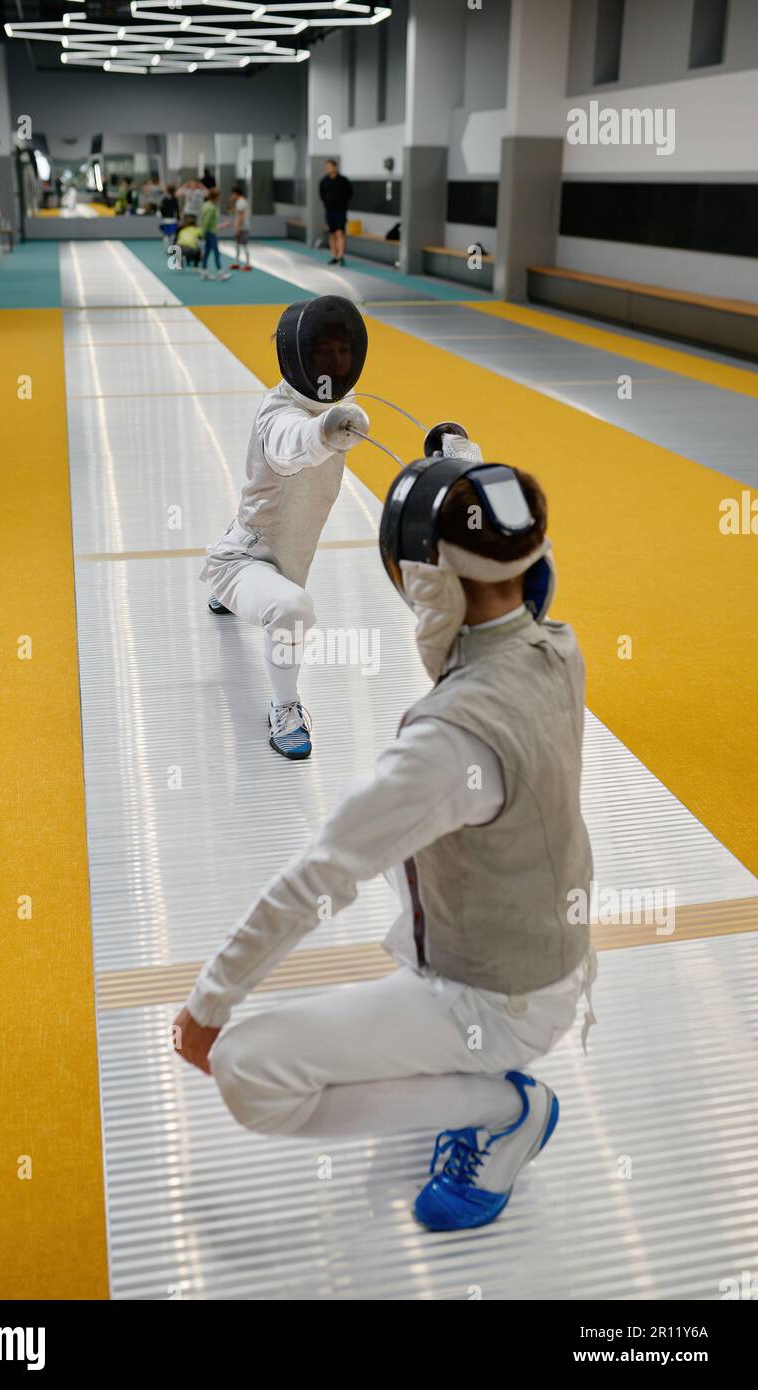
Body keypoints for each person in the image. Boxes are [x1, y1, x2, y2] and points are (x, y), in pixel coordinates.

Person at [174, 452, 597, 1232]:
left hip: (499, 999)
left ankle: (505, 1108)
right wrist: (463, 475)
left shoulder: (448, 740)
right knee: (400, 884)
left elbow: (321, 875)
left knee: (246, 1070)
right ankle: (471, 1066)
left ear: (429, 584)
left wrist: (209, 1004)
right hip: (549, 956)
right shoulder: (557, 649)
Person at [198, 296, 370, 759]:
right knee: (293, 607)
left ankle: (232, 589)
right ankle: (286, 707)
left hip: (279, 550)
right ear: (296, 356)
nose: (334, 362)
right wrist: (324, 433)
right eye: (322, 352)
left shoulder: (342, 402)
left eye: (342, 351)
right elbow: (293, 444)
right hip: (247, 560)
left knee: (280, 567)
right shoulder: (279, 415)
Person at [319, 158, 353, 266]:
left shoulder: (343, 180)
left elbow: (350, 194)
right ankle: (334, 255)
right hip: (329, 211)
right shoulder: (324, 181)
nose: (328, 169)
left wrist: (340, 201)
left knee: (340, 232)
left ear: (335, 167)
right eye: (326, 167)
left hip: (340, 211)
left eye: (329, 166)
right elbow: (322, 195)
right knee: (332, 234)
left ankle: (340, 256)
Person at [199, 187, 230, 282]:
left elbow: (204, 221)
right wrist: (203, 234)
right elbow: (207, 223)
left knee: (207, 252)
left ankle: (204, 272)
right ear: (215, 197)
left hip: (208, 232)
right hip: (210, 233)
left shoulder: (206, 205)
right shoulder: (211, 208)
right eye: (218, 197)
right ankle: (220, 273)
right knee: (216, 252)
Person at [228, 184, 251, 271]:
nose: (232, 196)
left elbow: (241, 217)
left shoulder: (241, 202)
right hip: (241, 227)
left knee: (244, 245)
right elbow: (234, 211)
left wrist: (238, 228)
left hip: (243, 227)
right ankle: (237, 263)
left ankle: (248, 264)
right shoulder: (240, 202)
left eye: (233, 194)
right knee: (237, 245)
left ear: (236, 193)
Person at [159, 184, 179, 248]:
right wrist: (178, 218)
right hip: (172, 219)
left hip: (166, 219)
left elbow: (161, 208)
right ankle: (171, 248)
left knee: (166, 235)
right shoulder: (175, 199)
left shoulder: (164, 199)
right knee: (172, 235)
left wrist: (163, 215)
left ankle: (166, 248)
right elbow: (177, 209)